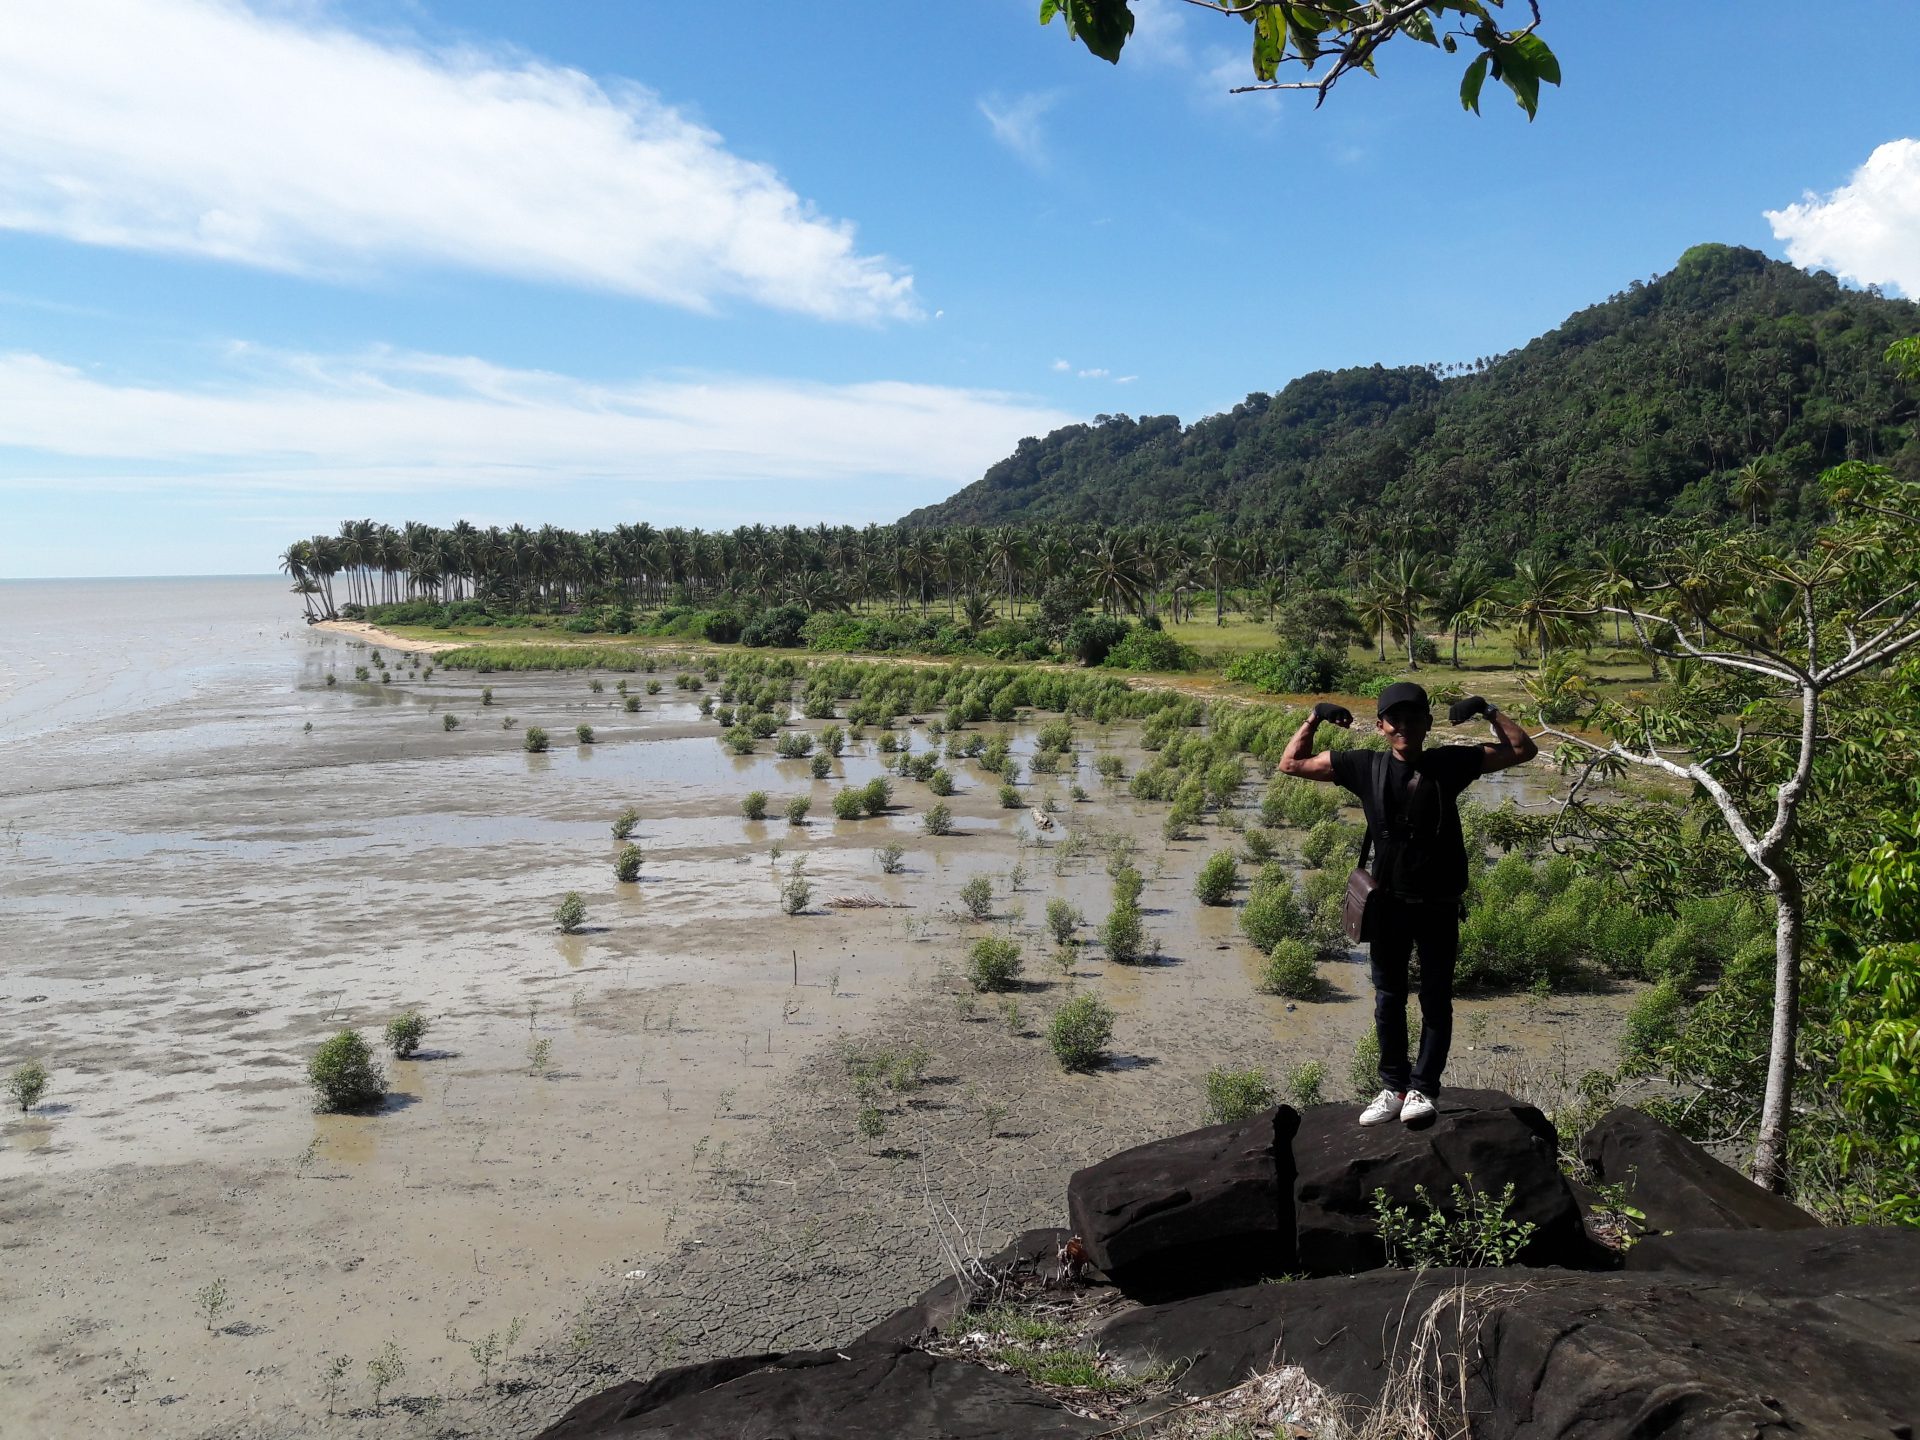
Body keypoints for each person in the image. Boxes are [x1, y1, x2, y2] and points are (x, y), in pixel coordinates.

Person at [1277, 681, 1536, 1126]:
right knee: (1388, 998)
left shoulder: (1451, 763)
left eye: (1413, 718)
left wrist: (1489, 710)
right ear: (1380, 726)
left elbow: (1521, 750)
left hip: (1438, 904)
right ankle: (1394, 1087)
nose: (1404, 726)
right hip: (1388, 905)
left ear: (1428, 725)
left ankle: (1424, 1089)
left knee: (1436, 1000)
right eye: (1394, 719)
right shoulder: (1364, 766)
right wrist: (1314, 718)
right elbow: (1291, 764)